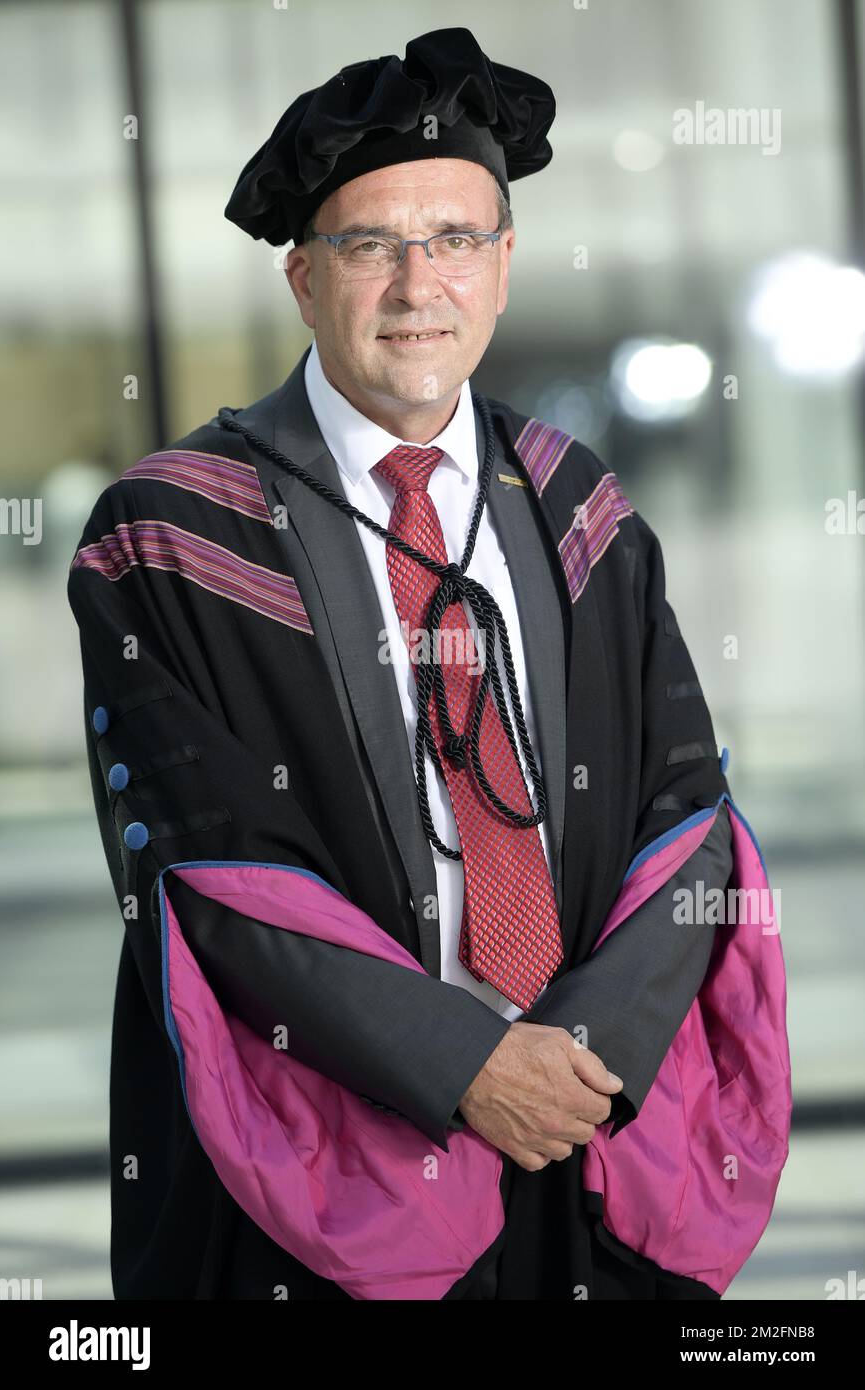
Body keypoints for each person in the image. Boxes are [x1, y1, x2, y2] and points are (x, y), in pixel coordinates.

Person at [67, 26, 791, 1301]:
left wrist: (579, 1061)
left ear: (502, 269)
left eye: (455, 240)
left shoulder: (580, 507)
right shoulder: (170, 529)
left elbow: (685, 814)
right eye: (370, 245)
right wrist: (460, 1062)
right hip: (321, 1155)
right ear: (302, 278)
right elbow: (209, 862)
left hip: (580, 1133)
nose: (418, 284)